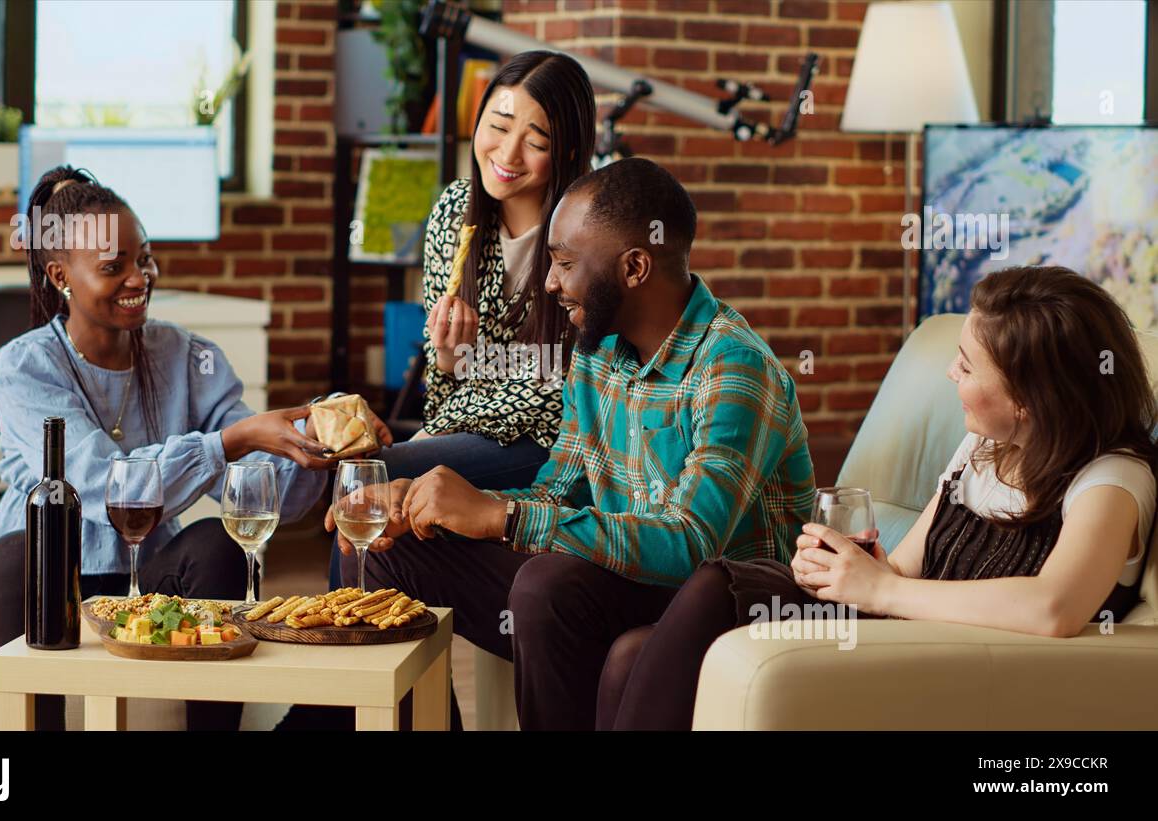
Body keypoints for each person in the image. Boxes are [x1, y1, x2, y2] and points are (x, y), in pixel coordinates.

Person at [332, 158, 817, 730]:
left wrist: (502, 517)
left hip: (715, 602)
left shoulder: (733, 367)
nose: (550, 282)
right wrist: (429, 505)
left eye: (563, 263)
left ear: (635, 267)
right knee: (404, 547)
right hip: (618, 582)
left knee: (547, 584)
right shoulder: (596, 352)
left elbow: (692, 543)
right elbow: (558, 488)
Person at [597, 265, 1158, 730]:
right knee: (629, 656)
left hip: (981, 670)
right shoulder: (983, 445)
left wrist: (883, 589)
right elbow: (907, 567)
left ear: (1030, 399)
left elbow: (1054, 608)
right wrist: (848, 568)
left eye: (966, 366)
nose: (948, 371)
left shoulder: (1112, 479)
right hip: (915, 635)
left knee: (716, 587)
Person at [0, 165, 390, 730]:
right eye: (113, 268)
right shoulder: (22, 366)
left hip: (143, 577)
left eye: (144, 259)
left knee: (217, 543)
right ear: (60, 276)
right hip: (48, 576)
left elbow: (267, 498)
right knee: (20, 554)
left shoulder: (186, 355)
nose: (138, 278)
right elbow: (99, 485)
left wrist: (321, 434)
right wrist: (230, 441)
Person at [327, 49, 597, 590]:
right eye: (497, 126)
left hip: (560, 446)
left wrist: (449, 419)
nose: (508, 152)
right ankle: (394, 666)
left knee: (374, 481)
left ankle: (364, 653)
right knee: (368, 487)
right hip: (471, 429)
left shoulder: (589, 229)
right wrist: (449, 358)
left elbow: (568, 389)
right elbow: (440, 392)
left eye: (536, 141)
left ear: (567, 148)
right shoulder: (454, 213)